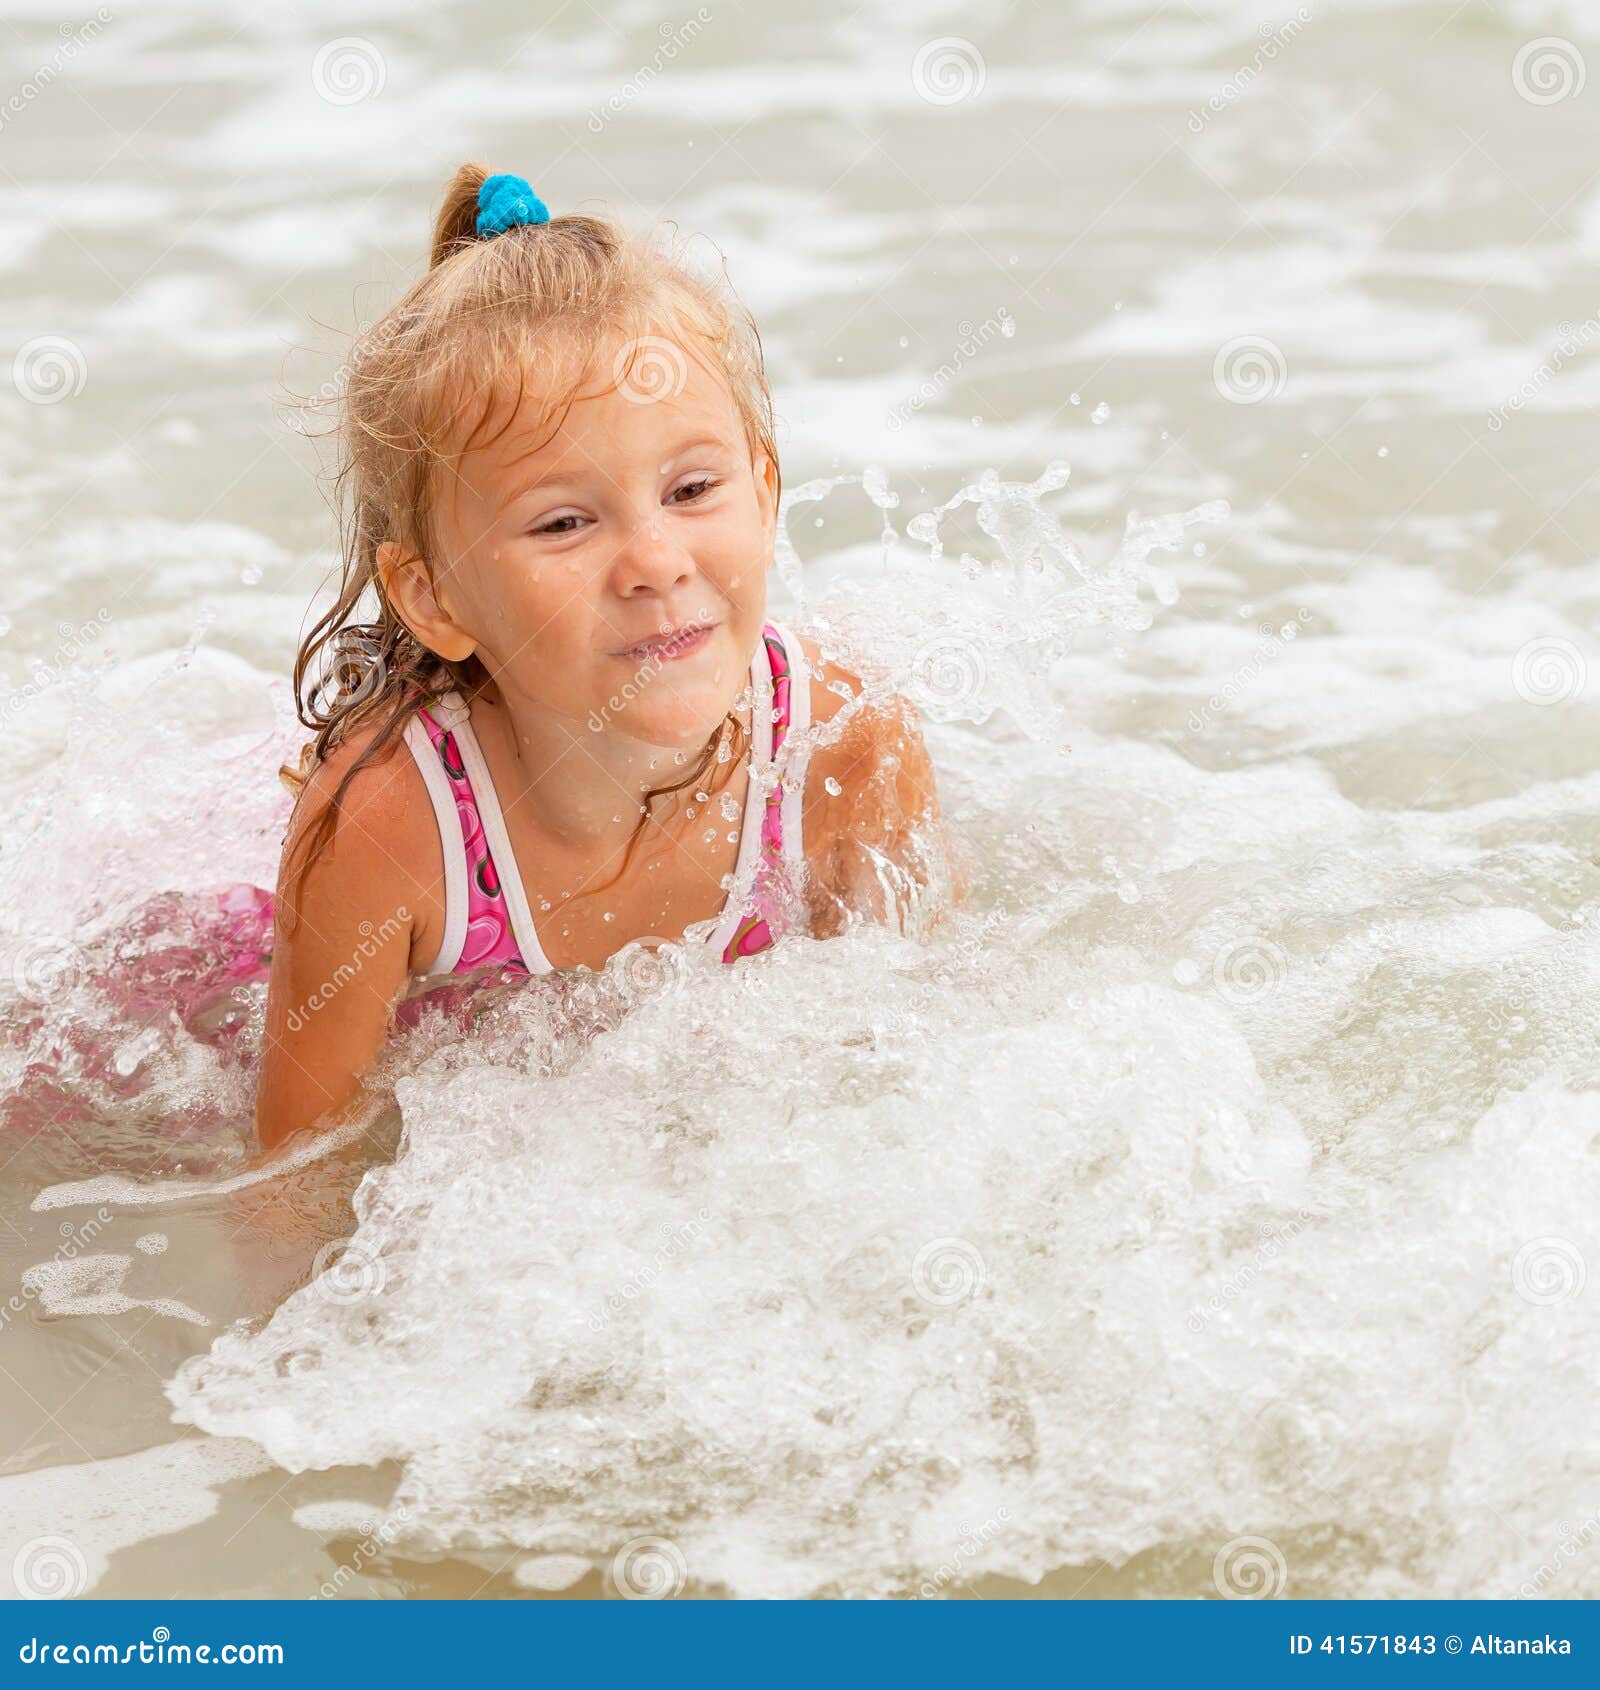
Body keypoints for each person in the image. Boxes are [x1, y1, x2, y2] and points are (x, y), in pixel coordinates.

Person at [257, 165, 953, 1153]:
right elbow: (290, 1177)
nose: (655, 562)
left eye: (692, 487)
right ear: (436, 597)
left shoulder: (846, 751)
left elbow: (927, 1072)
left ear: (764, 488)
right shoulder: (387, 829)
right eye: (564, 520)